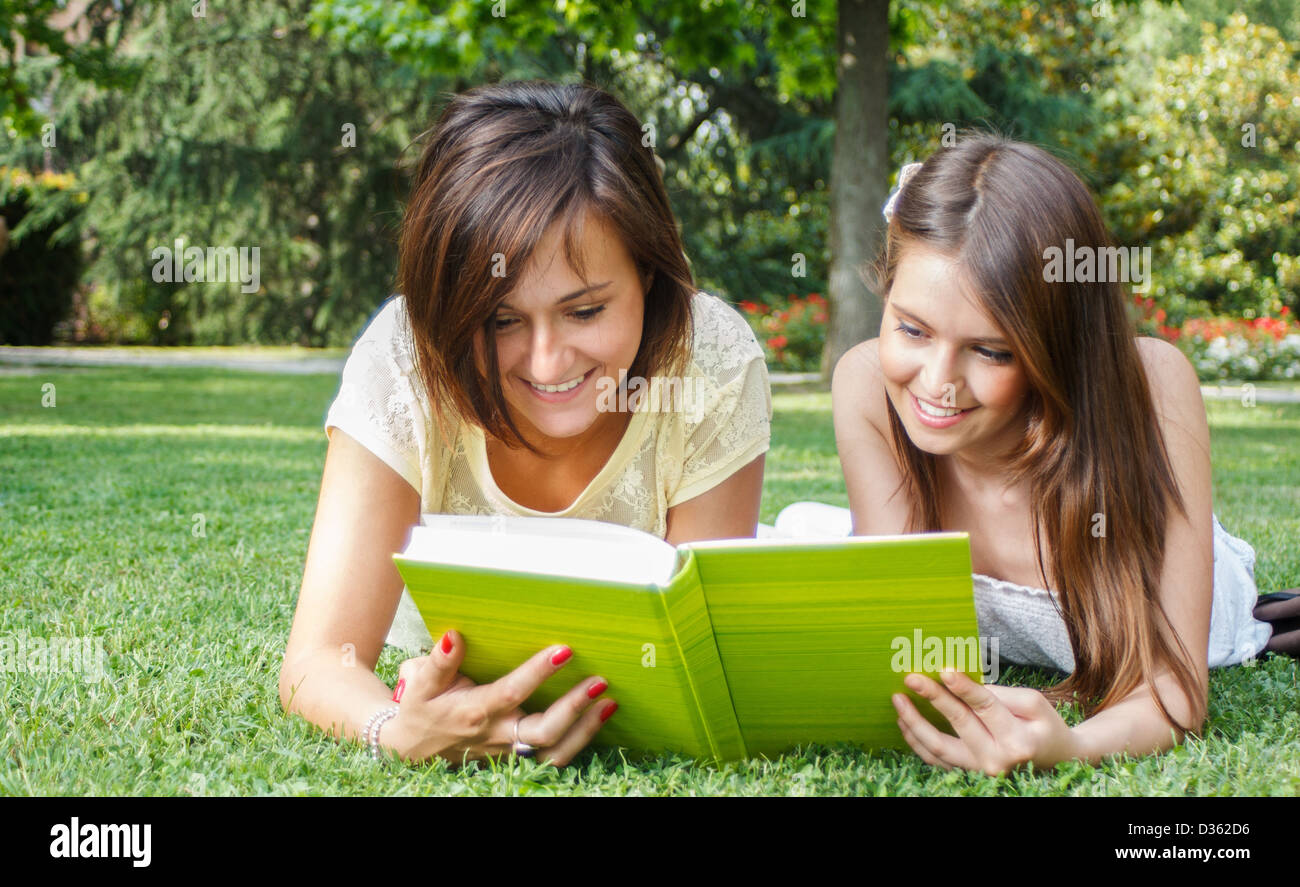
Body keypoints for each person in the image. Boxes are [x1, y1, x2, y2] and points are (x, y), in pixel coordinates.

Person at [279, 81, 771, 768]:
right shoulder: (403, 355)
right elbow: (317, 660)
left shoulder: (709, 359)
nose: (548, 363)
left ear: (649, 278)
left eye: (586, 311)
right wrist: (396, 728)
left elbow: (699, 665)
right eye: (501, 319)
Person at [829, 133, 1285, 776]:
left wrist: (1071, 746)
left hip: (1185, 607)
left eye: (991, 351)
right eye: (911, 328)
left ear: (1058, 346)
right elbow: (898, 634)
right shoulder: (865, 385)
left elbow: (1174, 689)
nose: (937, 383)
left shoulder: (1151, 384)